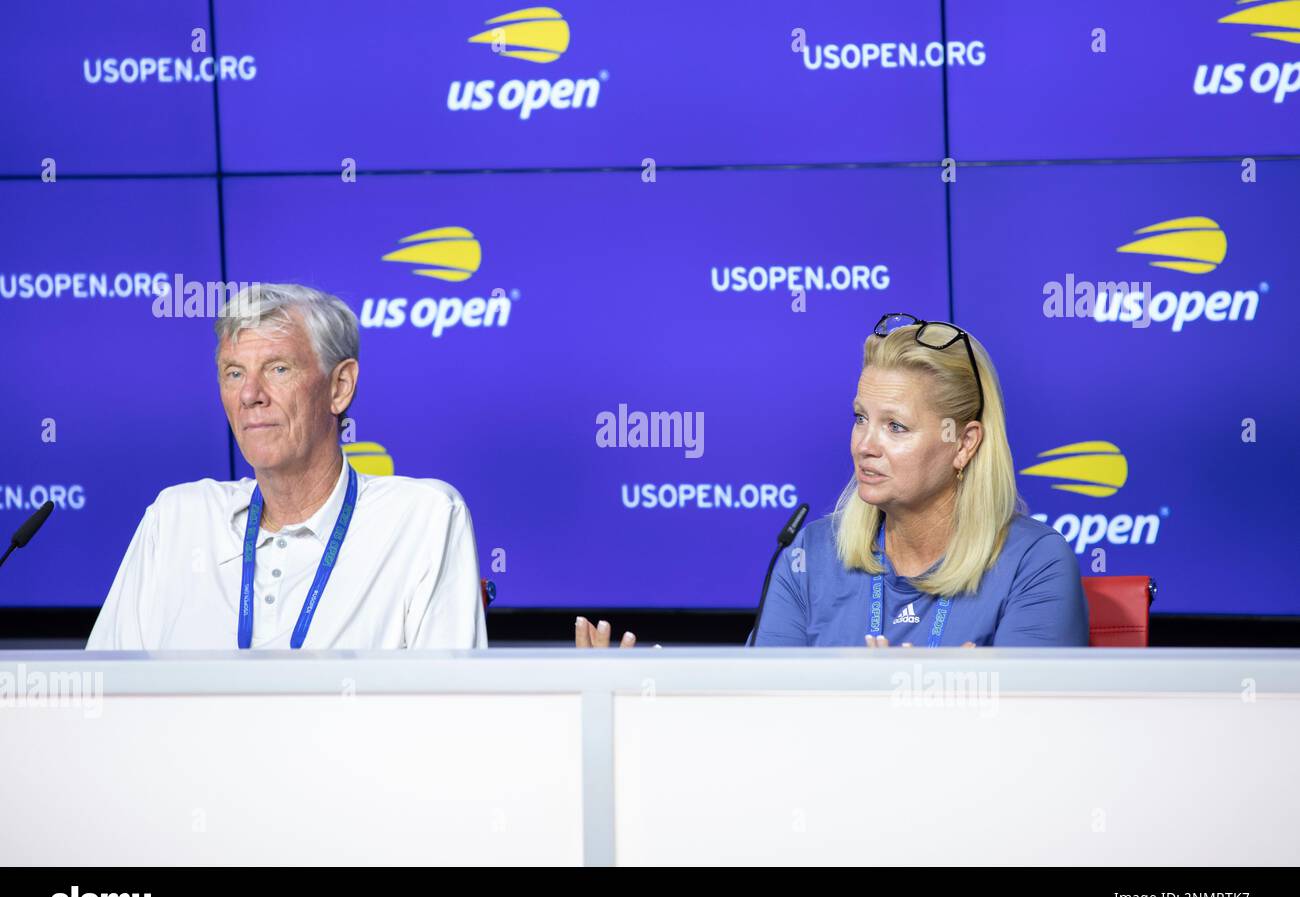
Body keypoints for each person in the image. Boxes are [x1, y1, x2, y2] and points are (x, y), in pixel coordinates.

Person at [576, 313, 1088, 648]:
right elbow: (758, 725)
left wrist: (936, 713)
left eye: (896, 427)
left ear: (965, 443)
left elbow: (1034, 749)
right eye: (860, 417)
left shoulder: (1034, 566)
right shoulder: (807, 556)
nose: (865, 444)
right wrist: (624, 699)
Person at [86, 283, 487, 650]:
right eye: (234, 373)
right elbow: (101, 702)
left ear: (340, 386)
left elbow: (447, 718)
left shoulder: (422, 519)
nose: (249, 395)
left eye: (278, 369)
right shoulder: (176, 518)